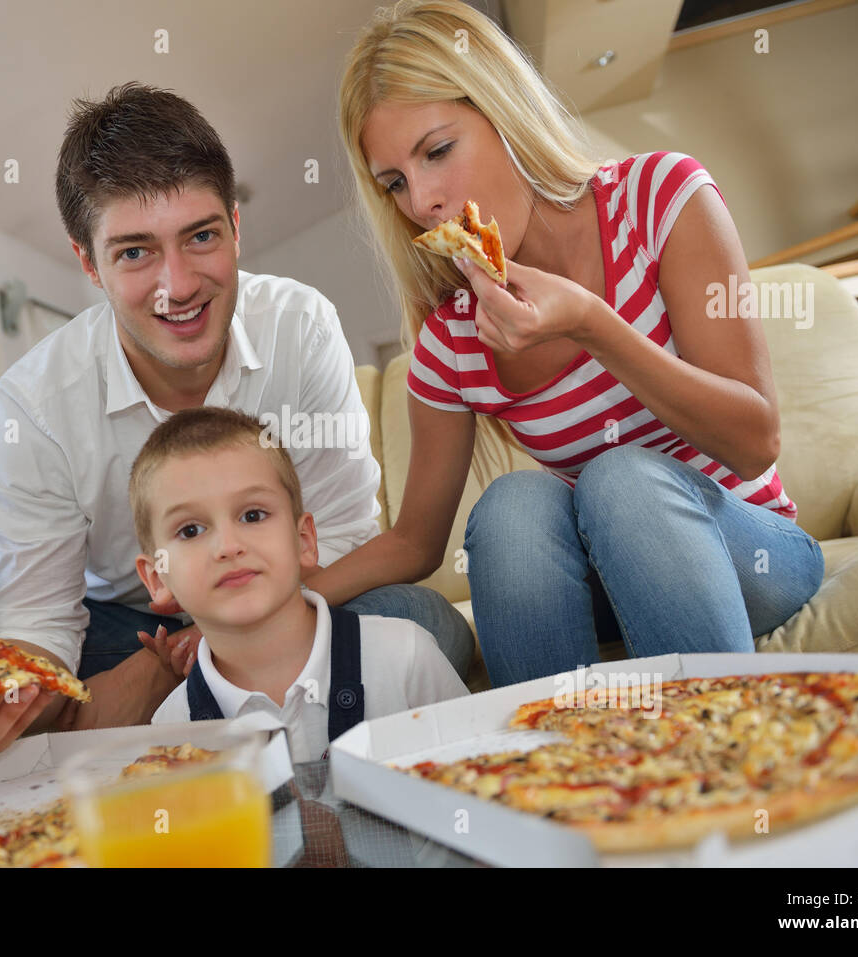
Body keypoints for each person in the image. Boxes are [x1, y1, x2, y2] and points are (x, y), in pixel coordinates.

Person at [0, 82, 474, 769]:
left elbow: (342, 538)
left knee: (418, 623)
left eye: (200, 236)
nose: (176, 285)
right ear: (88, 262)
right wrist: (10, 677)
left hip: (281, 605)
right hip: (117, 632)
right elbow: (41, 625)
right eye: (135, 252)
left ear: (237, 228)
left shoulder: (301, 325)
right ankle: (5, 825)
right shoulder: (31, 405)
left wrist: (212, 635)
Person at [309, 0, 824, 686]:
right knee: (512, 508)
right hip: (606, 581)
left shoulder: (660, 199)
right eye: (395, 182)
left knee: (622, 478)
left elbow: (755, 438)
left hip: (750, 550)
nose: (424, 201)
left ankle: (725, 755)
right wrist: (276, 600)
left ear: (504, 113)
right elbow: (412, 541)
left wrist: (591, 323)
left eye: (438, 151)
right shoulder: (450, 341)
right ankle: (552, 766)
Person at [126, 407, 467, 762]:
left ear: (303, 539)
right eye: (191, 530)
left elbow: (482, 785)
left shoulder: (407, 657)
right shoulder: (173, 730)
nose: (228, 547)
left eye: (252, 515)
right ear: (157, 579)